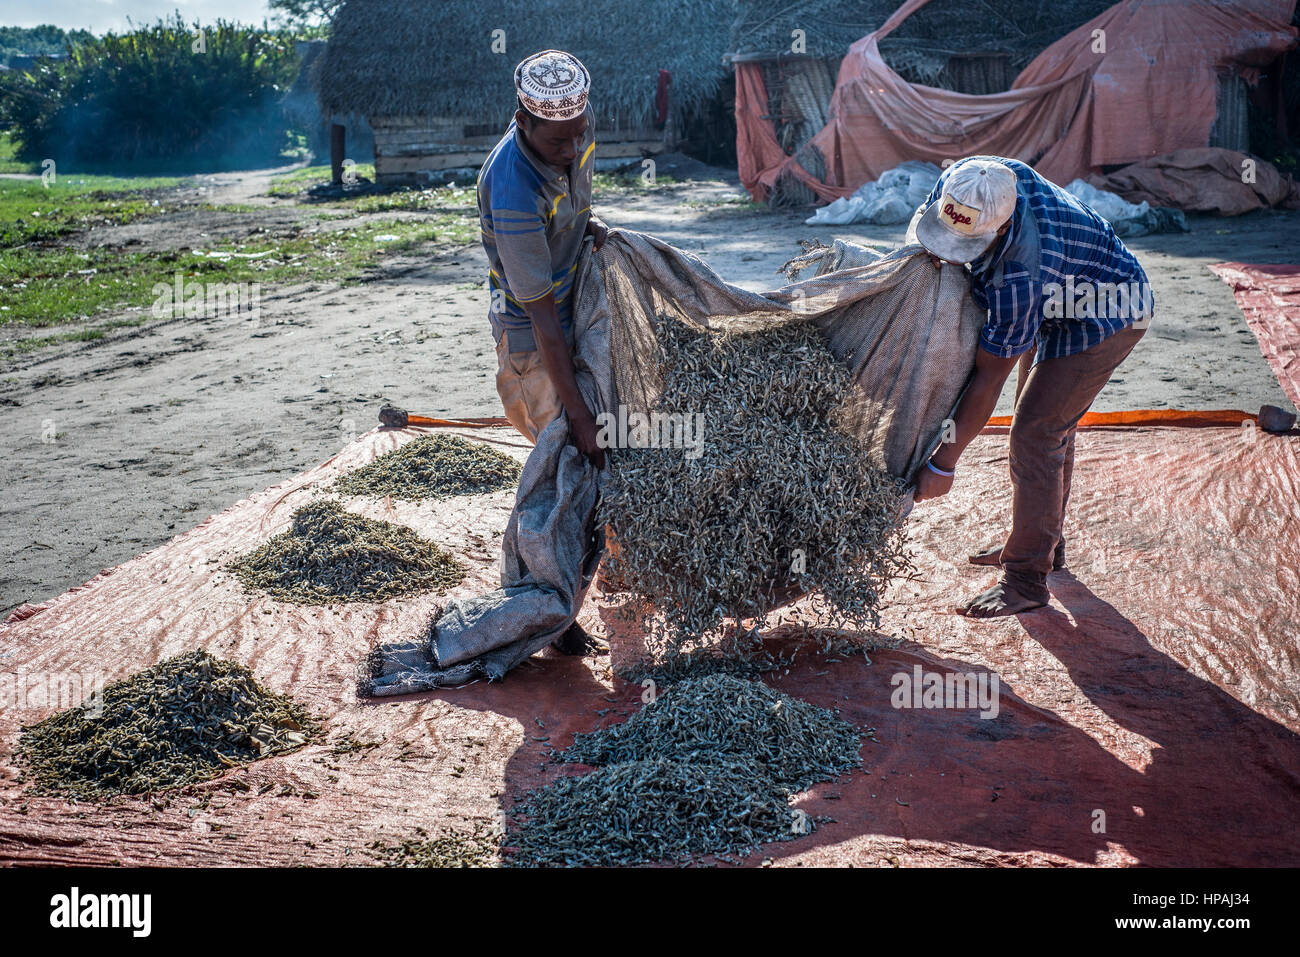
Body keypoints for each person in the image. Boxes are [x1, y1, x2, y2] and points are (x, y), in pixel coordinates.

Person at [908, 155, 1152, 618]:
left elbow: (988, 377)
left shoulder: (1021, 271)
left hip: (1108, 311)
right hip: (1061, 286)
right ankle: (1043, 544)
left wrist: (942, 467)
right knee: (1045, 422)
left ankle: (1025, 578)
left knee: (1036, 431)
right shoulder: (973, 178)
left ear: (999, 231)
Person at [477, 49, 609, 467]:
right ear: (522, 123)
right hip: (530, 327)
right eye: (557, 141)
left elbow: (570, 188)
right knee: (559, 449)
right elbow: (543, 321)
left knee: (609, 426)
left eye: (578, 135)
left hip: (573, 297)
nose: (572, 149)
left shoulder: (573, 125)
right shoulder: (514, 189)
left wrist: (584, 219)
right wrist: (580, 416)